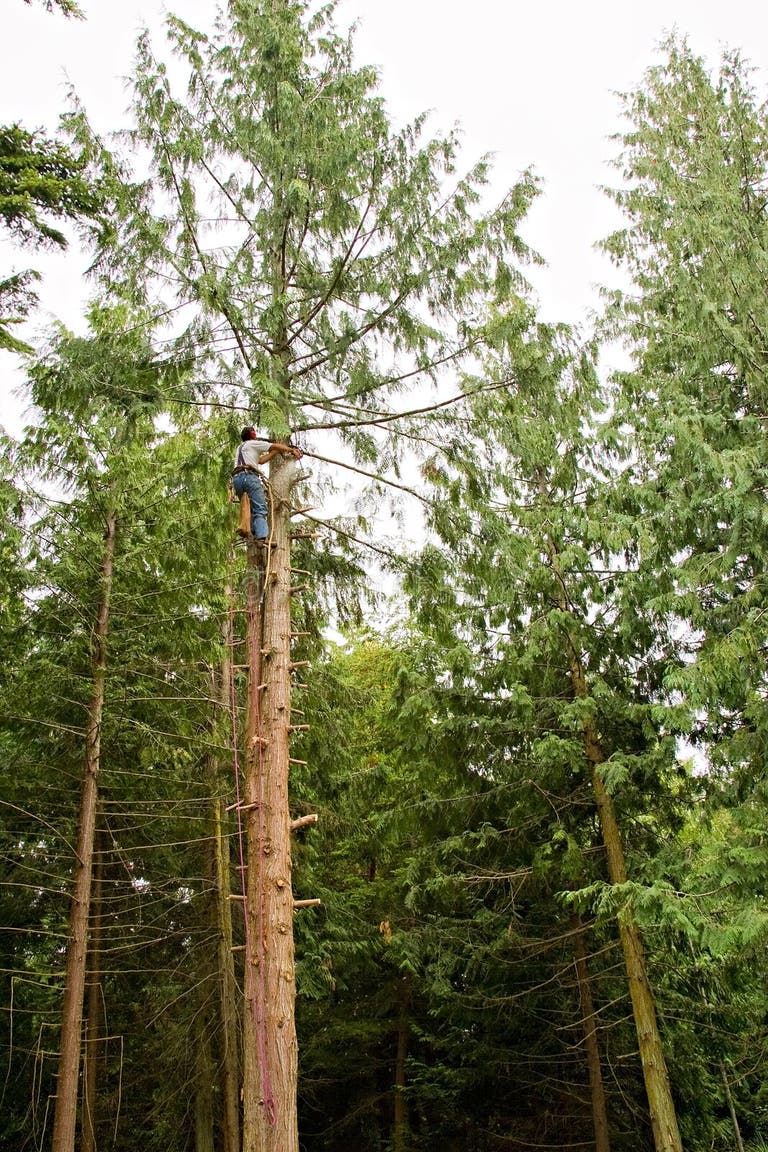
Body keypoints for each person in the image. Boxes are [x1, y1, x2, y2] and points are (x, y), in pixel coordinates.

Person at [231, 427, 302, 540]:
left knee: (249, 507)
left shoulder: (241, 448)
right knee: (260, 508)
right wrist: (291, 450)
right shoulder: (252, 443)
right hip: (249, 477)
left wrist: (276, 452)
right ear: (252, 435)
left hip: (237, 480)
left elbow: (261, 460)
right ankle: (261, 538)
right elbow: (274, 445)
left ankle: (254, 532)